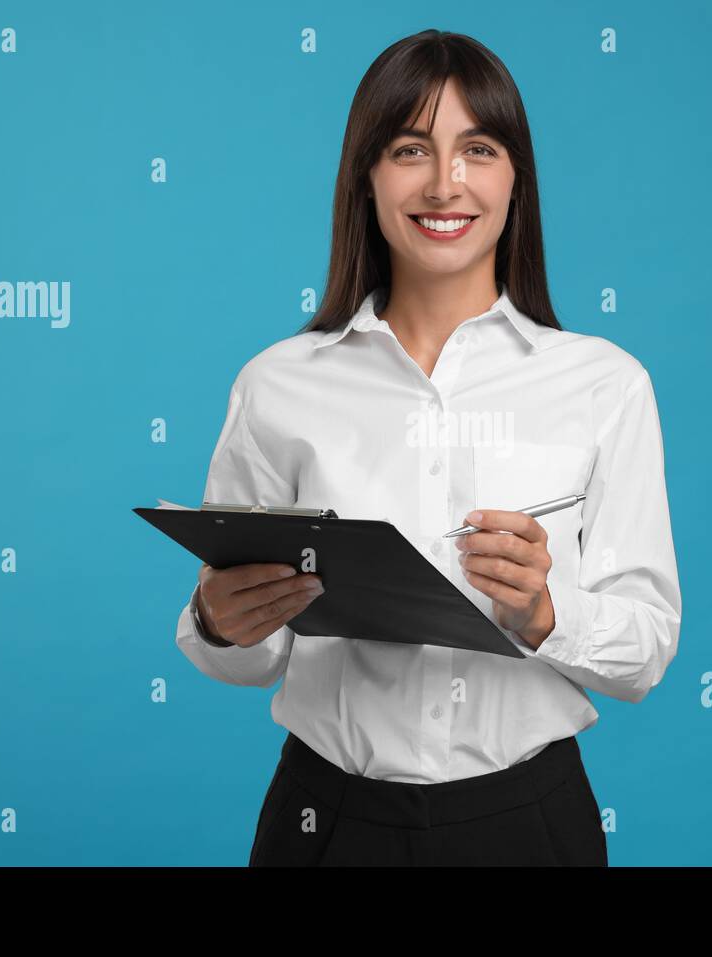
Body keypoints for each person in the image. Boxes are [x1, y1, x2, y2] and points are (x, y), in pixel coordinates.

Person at [175, 29, 682, 866]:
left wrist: (548, 612)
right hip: (326, 822)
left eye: (478, 149)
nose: (446, 182)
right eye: (411, 148)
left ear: (516, 178)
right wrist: (217, 621)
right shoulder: (277, 384)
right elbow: (244, 655)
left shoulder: (606, 384)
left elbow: (646, 649)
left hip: (528, 824)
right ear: (366, 176)